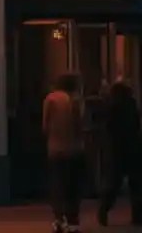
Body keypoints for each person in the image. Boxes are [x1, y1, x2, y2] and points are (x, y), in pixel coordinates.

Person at [97, 78, 142, 227]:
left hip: (117, 149)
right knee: (137, 184)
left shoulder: (110, 106)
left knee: (114, 183)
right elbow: (137, 125)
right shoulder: (130, 104)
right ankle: (138, 216)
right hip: (132, 148)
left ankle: (104, 209)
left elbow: (108, 128)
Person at [43, 73, 84, 233]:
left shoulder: (51, 99)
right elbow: (80, 123)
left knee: (57, 185)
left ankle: (59, 219)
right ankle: (73, 221)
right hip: (74, 149)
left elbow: (45, 125)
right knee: (73, 186)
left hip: (55, 149)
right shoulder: (75, 99)